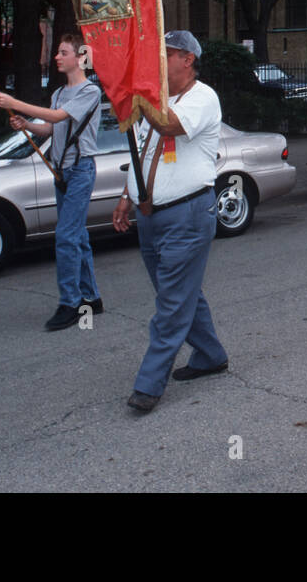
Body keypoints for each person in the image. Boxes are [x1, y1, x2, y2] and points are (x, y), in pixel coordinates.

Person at [116, 31, 229, 413]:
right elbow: (142, 152)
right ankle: (211, 354)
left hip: (188, 214)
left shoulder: (202, 97)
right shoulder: (155, 100)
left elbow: (169, 127)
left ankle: (149, 384)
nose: (158, 62)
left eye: (166, 55)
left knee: (172, 300)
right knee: (181, 293)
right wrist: (127, 195)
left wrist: (136, 93)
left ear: (187, 59)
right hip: (152, 216)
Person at [0, 34, 103, 331]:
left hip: (81, 171)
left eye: (63, 52)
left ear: (80, 57)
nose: (56, 57)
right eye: (57, 52)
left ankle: (70, 303)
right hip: (61, 172)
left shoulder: (89, 92)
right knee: (77, 236)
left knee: (66, 236)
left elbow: (58, 116)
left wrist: (16, 102)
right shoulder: (57, 92)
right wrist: (26, 125)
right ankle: (91, 298)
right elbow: (50, 128)